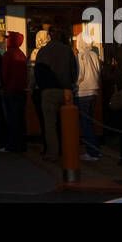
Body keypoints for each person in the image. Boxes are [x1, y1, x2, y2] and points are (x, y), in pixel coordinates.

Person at [34, 30, 77, 162]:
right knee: (67, 123)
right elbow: (74, 70)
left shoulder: (42, 52)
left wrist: (42, 87)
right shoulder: (67, 50)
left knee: (50, 125)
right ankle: (69, 151)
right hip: (66, 91)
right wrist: (70, 85)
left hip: (48, 91)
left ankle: (53, 153)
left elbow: (38, 73)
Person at [74, 30, 103, 160]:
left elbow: (79, 75)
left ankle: (92, 152)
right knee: (89, 122)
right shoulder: (94, 54)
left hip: (82, 92)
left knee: (86, 123)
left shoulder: (81, 56)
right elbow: (98, 71)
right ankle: (95, 149)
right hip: (94, 91)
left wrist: (74, 84)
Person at [0, 31, 29, 153]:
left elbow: (4, 73)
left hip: (10, 90)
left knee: (11, 120)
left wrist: (3, 86)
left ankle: (12, 145)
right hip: (21, 91)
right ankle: (21, 144)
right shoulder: (21, 54)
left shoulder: (8, 54)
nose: (6, 41)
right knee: (20, 119)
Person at [29, 21, 52, 153]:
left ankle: (47, 145)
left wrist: (30, 87)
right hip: (53, 88)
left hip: (39, 90)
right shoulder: (53, 51)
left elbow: (32, 73)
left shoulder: (35, 53)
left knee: (43, 119)